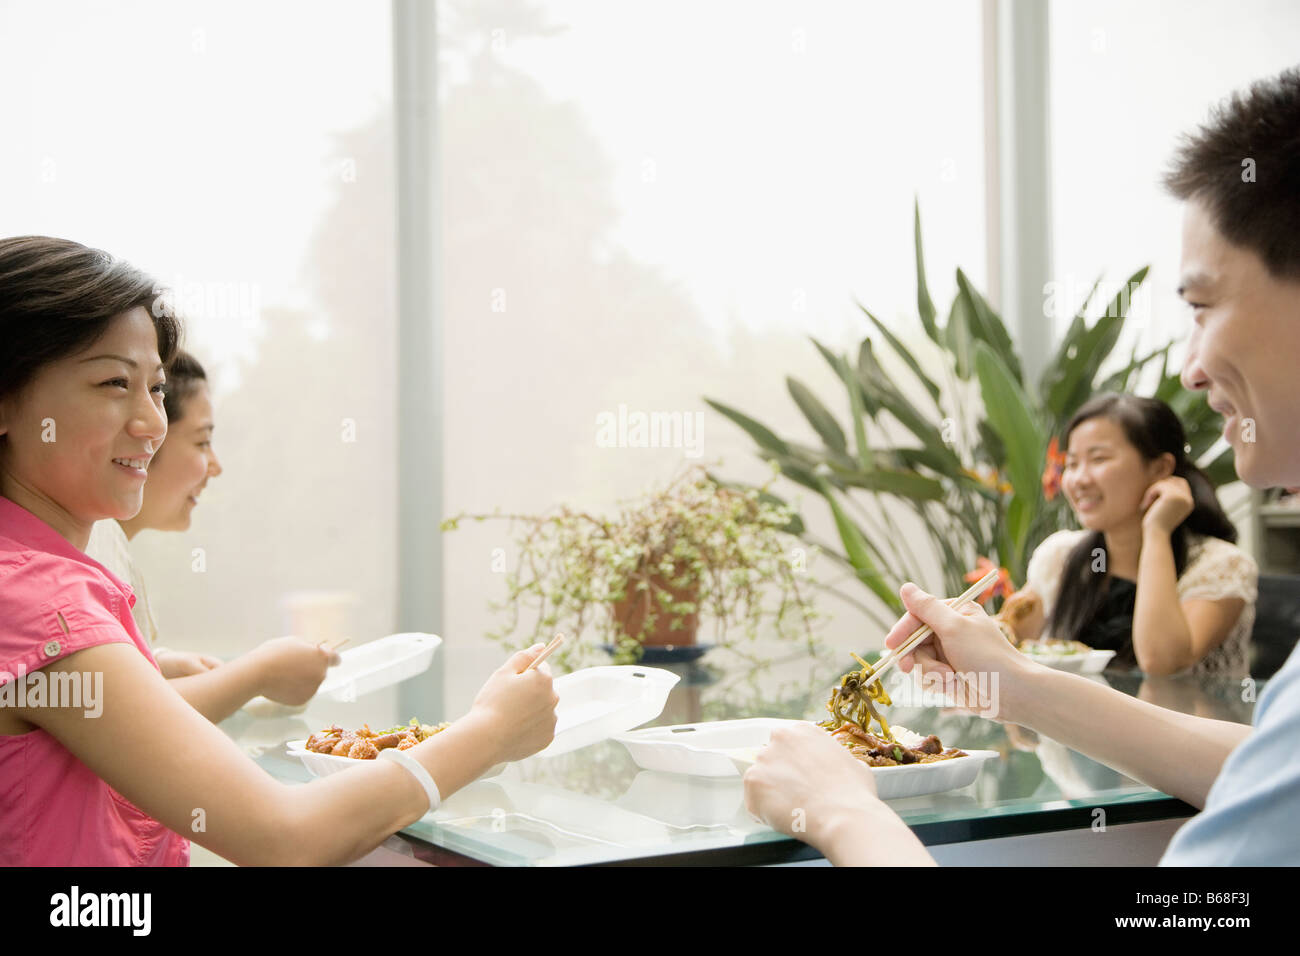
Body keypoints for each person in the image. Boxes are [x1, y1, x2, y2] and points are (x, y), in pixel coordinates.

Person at [744, 66, 1300, 866]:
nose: (1190, 368)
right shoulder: (1063, 560)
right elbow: (1259, 774)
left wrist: (841, 814)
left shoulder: (1213, 564)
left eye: (1202, 305)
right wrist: (1018, 683)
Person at [0, 236, 558, 865]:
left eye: (155, 389)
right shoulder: (40, 602)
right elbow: (285, 839)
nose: (150, 422)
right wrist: (489, 732)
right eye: (112, 383)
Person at [84, 350, 333, 723]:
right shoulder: (92, 546)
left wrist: (156, 663)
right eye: (202, 442)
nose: (215, 466)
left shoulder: (105, 546)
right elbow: (123, 719)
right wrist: (256, 674)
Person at [1003, 392, 1257, 677]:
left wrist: (1157, 531)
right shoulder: (1060, 557)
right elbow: (1007, 643)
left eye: (1098, 459)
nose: (1079, 480)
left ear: (1160, 468)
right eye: (1072, 464)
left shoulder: (1220, 567)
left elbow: (1162, 662)